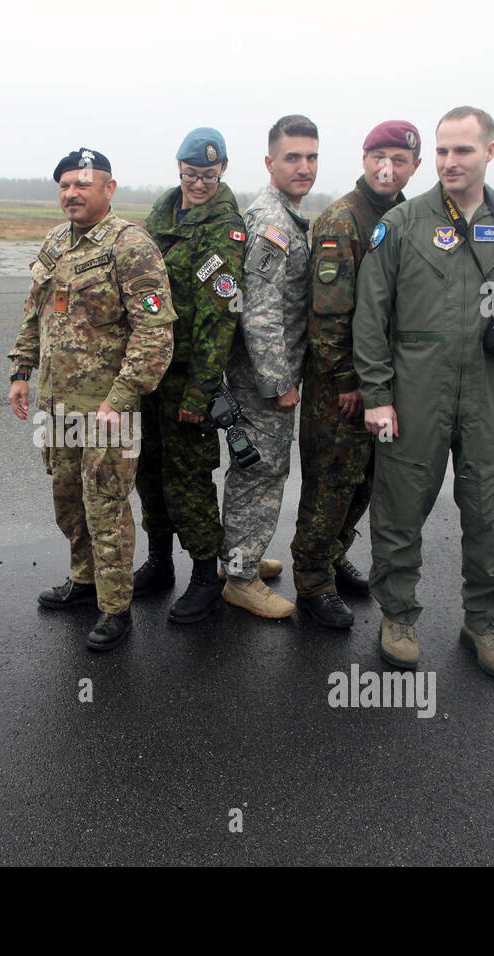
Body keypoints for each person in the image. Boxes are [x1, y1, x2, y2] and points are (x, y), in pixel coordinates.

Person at [353, 107, 494, 677]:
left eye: (462, 151)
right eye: (442, 151)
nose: (449, 161)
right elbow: (370, 319)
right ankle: (397, 617)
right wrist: (377, 395)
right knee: (398, 508)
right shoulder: (402, 225)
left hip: (489, 393)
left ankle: (484, 623)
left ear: (489, 152)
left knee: (489, 507)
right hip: (415, 391)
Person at [8, 148, 175, 651]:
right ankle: (83, 582)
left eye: (83, 184)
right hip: (57, 407)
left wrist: (122, 397)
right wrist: (21, 369)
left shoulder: (131, 246)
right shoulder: (55, 243)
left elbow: (156, 330)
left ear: (109, 188)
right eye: (64, 186)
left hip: (108, 410)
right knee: (68, 502)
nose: (72, 194)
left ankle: (114, 606)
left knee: (106, 506)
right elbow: (35, 313)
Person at [292, 120, 422, 629]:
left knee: (365, 481)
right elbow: (327, 315)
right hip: (340, 385)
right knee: (331, 483)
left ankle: (334, 555)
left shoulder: (407, 217)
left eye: (400, 159)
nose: (388, 167)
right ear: (365, 160)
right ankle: (310, 580)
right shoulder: (341, 221)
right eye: (379, 156)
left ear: (414, 166)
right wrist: (348, 381)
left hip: (385, 382)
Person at [134, 127, 247, 624]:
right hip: (147, 372)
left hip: (185, 378)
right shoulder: (161, 213)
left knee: (189, 478)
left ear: (222, 169)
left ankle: (205, 576)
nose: (198, 183)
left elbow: (219, 318)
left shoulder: (225, 228)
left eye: (208, 173)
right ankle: (159, 563)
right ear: (178, 169)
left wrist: (200, 391)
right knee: (149, 471)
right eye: (190, 173)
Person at [220, 115, 319, 620]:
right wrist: (279, 384)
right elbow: (260, 311)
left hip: (261, 375)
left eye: (311, 157)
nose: (304, 167)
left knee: (252, 468)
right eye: (292, 158)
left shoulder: (285, 213)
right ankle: (239, 577)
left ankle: (240, 556)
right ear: (269, 163)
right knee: (260, 472)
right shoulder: (274, 223)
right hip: (261, 380)